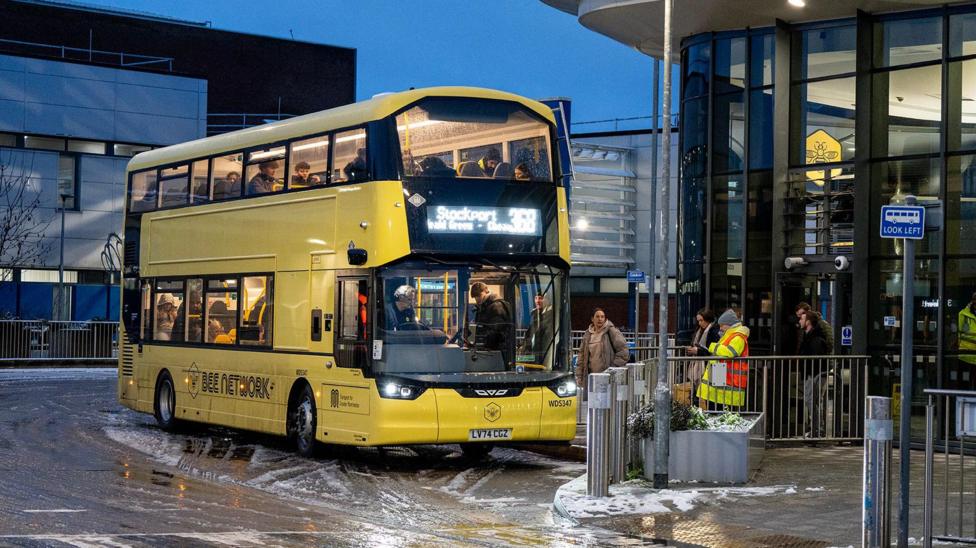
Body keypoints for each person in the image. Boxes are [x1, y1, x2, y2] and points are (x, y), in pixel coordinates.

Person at [696, 309, 750, 408]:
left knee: (720, 409)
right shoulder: (730, 335)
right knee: (715, 406)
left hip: (728, 379)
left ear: (729, 324)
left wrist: (713, 346)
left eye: (722, 325)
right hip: (721, 374)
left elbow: (731, 352)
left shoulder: (738, 336)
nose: (720, 328)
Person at [575, 307, 629, 387]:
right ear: (592, 319)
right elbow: (581, 357)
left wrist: (612, 368)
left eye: (602, 317)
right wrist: (579, 376)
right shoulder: (587, 335)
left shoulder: (612, 331)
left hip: (608, 377)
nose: (600, 319)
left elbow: (623, 352)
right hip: (591, 377)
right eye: (597, 316)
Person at [799, 310, 830, 437]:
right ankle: (817, 429)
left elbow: (815, 359)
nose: (799, 321)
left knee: (812, 401)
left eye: (802, 319)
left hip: (814, 374)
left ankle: (816, 429)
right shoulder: (810, 337)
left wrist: (811, 374)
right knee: (813, 401)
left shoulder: (815, 339)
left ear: (808, 322)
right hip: (811, 374)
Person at [470, 281, 513, 363]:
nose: (477, 299)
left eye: (479, 296)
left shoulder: (496, 306)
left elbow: (495, 330)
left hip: (497, 350)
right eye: (475, 297)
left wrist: (482, 342)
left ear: (486, 292)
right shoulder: (486, 306)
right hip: (493, 349)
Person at [685, 308, 720, 382]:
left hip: (710, 366)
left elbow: (713, 351)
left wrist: (698, 351)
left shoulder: (714, 332)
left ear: (708, 319)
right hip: (700, 365)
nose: (699, 323)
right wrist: (691, 349)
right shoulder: (699, 330)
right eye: (698, 321)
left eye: (701, 320)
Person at [520, 293, 553, 360]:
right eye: (536, 298)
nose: (537, 301)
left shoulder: (550, 315)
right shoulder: (534, 313)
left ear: (547, 300)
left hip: (539, 354)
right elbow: (530, 334)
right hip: (530, 353)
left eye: (540, 298)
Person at [959, 292, 976, 366]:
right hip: (966, 355)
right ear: (972, 301)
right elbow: (958, 334)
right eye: (975, 299)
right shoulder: (963, 314)